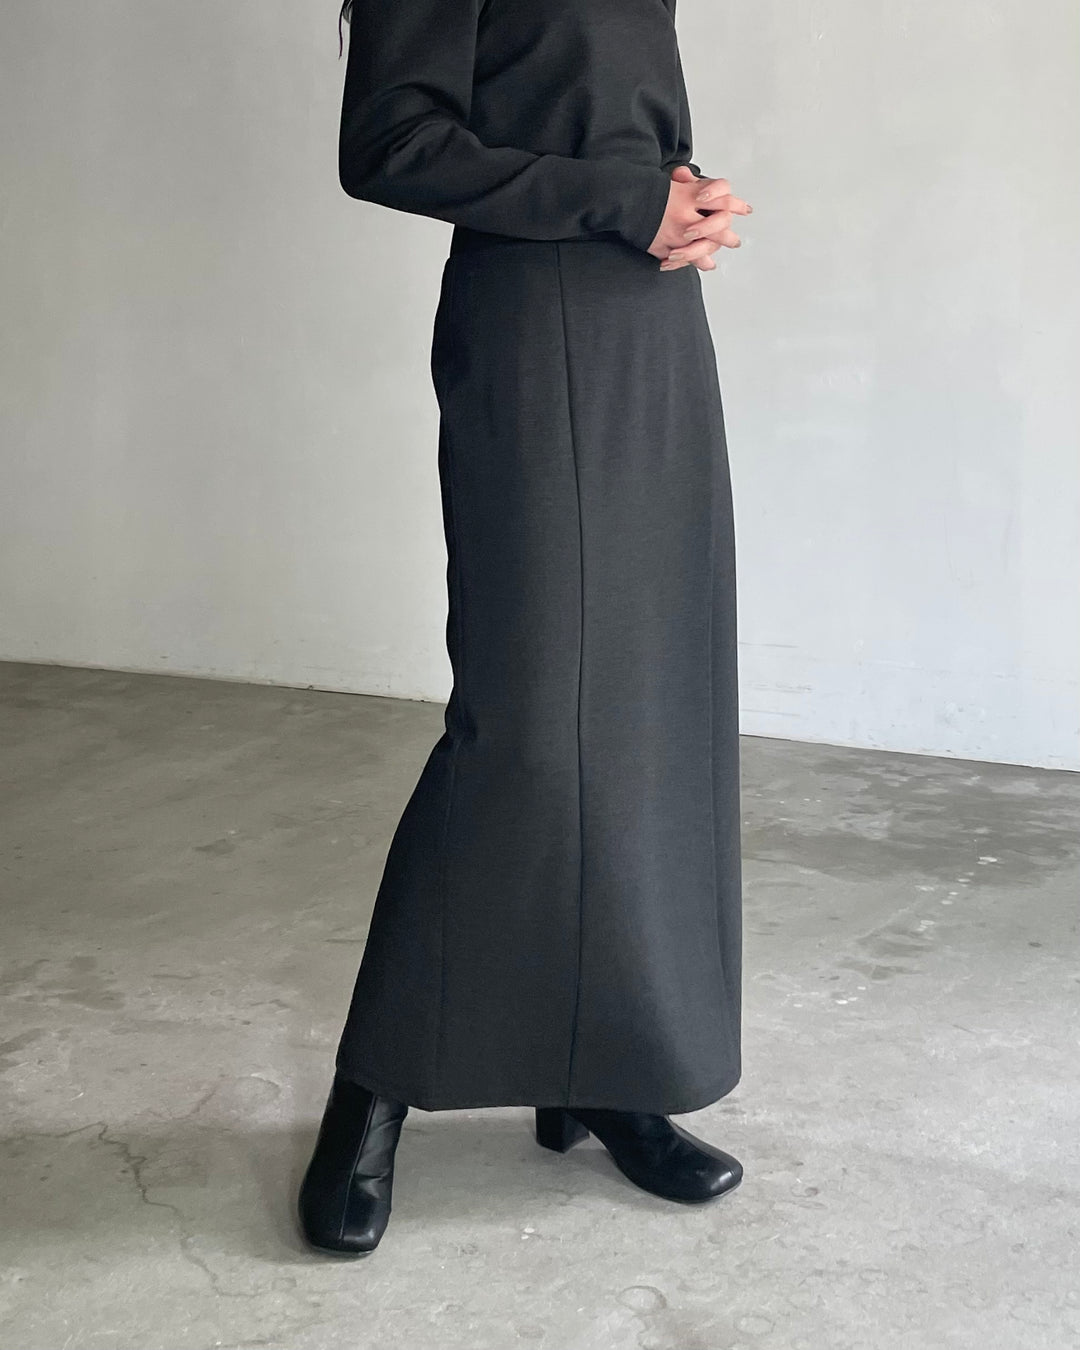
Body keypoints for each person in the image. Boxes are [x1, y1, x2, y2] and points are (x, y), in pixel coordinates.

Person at [298, 0, 752, 1256]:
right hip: (533, 313)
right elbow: (390, 141)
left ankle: (606, 1069)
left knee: (645, 708)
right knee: (530, 724)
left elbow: (599, 116)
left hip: (652, 321)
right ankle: (375, 1085)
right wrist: (623, 200)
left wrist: (681, 192)